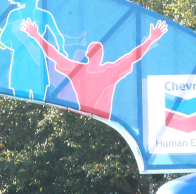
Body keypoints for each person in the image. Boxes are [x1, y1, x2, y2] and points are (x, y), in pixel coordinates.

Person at [20, 18, 167, 120]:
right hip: (100, 121)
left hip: (93, 120)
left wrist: (35, 35)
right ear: (99, 55)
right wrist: (151, 39)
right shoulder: (105, 71)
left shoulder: (80, 71)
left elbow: (54, 55)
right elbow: (132, 57)